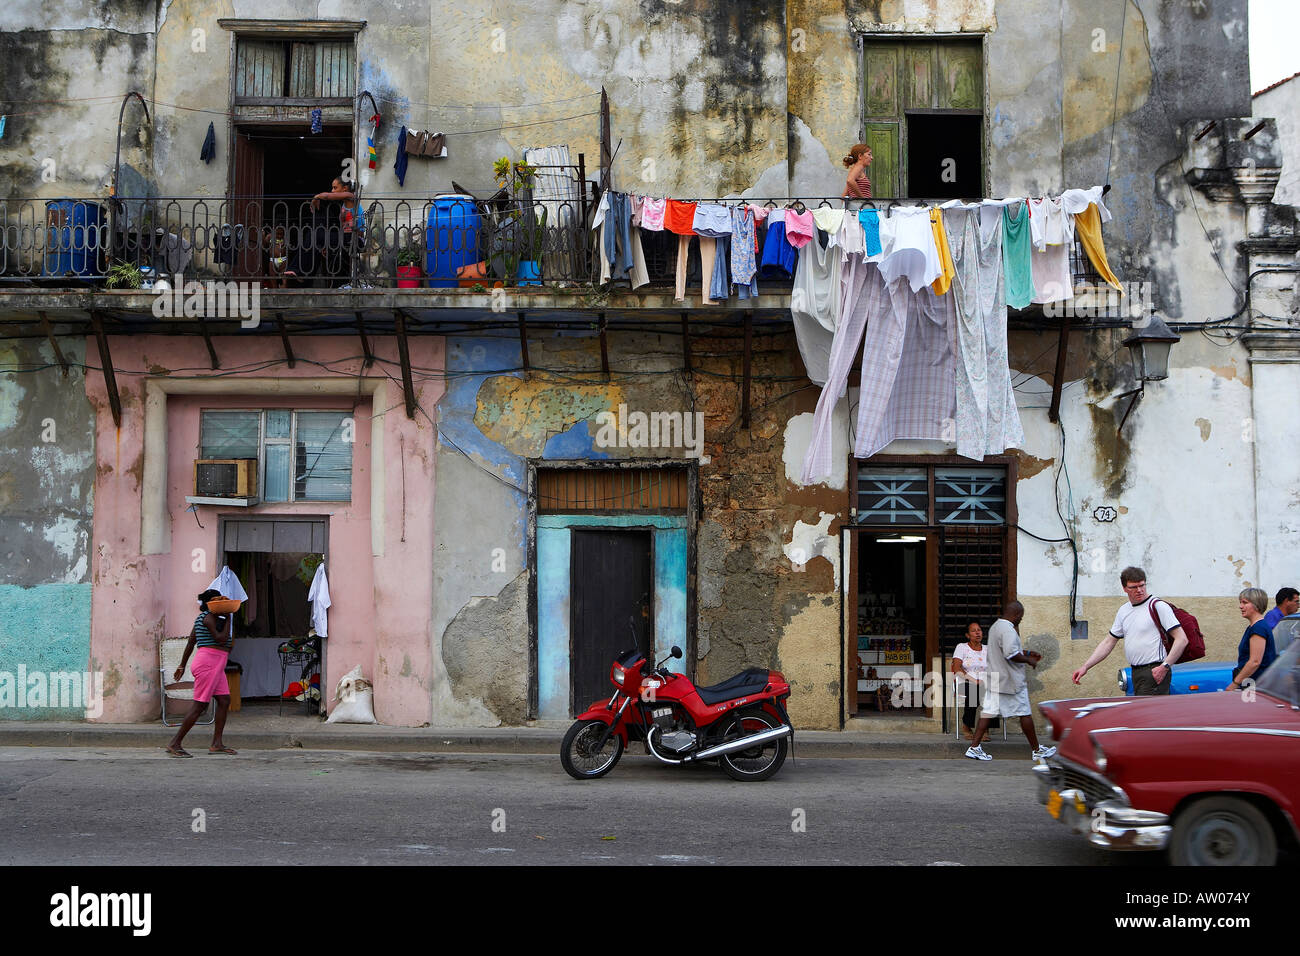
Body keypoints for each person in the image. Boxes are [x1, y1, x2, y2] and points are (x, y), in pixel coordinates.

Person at [1072, 566, 1188, 695]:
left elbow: (1182, 639)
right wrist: (1085, 666)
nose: (1139, 590)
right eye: (1133, 587)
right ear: (1125, 589)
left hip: (1155, 671)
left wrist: (1165, 666)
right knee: (1141, 713)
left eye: (1142, 585)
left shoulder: (1158, 606)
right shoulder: (1124, 610)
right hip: (1135, 673)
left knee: (1146, 714)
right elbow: (1109, 642)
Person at [965, 601, 1056, 762]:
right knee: (1024, 713)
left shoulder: (996, 627)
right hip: (1011, 681)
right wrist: (1029, 660)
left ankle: (974, 748)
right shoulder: (1008, 630)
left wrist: (1027, 652)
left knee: (988, 711)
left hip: (995, 678)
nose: (1020, 620)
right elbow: (1010, 654)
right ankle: (1036, 750)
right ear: (1016, 615)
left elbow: (1005, 649)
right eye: (1021, 617)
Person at [165, 589, 237, 757]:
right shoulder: (210, 617)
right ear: (208, 604)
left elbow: (191, 642)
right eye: (216, 601)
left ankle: (217, 744)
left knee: (224, 700)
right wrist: (229, 617)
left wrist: (182, 665)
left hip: (214, 663)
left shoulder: (202, 618)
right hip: (209, 663)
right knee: (200, 705)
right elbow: (221, 638)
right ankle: (175, 743)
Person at [312, 177, 364, 285]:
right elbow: (342, 228)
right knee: (325, 245)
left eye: (335, 188)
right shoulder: (344, 204)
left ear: (345, 188)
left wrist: (317, 196)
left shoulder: (351, 196)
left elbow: (327, 196)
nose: (332, 191)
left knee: (317, 234)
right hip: (346, 237)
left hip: (355, 238)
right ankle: (338, 284)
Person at [1226, 588, 1278, 692]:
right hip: (1253, 685)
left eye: (1245, 602)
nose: (1240, 606)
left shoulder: (1258, 628)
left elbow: (1255, 662)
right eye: (1240, 602)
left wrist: (1234, 684)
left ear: (1257, 604)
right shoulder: (1254, 627)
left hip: (1256, 686)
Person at [950, 620, 987, 740]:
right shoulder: (962, 647)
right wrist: (973, 680)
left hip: (984, 682)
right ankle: (967, 726)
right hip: (965, 681)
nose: (977, 633)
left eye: (979, 630)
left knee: (992, 693)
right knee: (974, 691)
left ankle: (985, 728)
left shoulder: (988, 649)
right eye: (973, 631)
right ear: (967, 635)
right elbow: (956, 667)